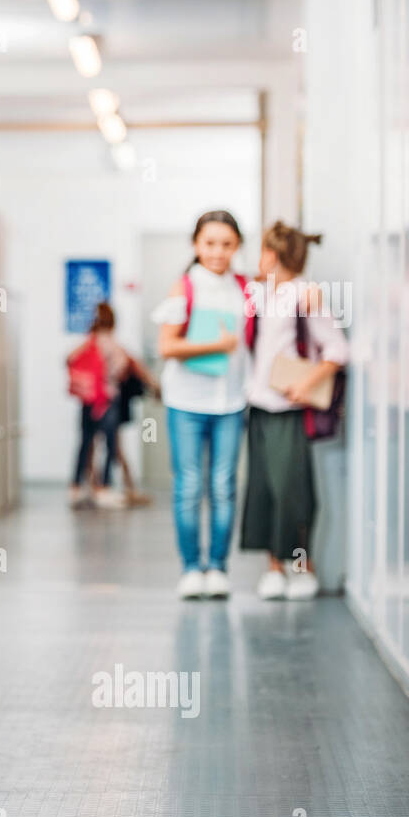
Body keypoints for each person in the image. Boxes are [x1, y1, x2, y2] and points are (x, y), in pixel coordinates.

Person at [241, 221, 349, 600]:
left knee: (294, 493)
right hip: (259, 405)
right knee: (264, 490)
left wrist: (305, 385)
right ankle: (274, 568)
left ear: (272, 255)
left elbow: (337, 350)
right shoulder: (261, 295)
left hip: (289, 408)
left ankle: (303, 567)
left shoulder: (307, 294)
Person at [151, 210, 253, 599]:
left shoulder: (245, 288)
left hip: (230, 403)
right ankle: (191, 568)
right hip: (186, 403)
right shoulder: (184, 287)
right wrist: (217, 345)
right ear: (196, 245)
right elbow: (166, 345)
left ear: (237, 247)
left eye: (227, 244)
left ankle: (218, 568)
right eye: (209, 243)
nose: (218, 252)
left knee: (224, 487)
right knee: (190, 486)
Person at [68, 302, 156, 508]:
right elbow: (124, 367)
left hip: (88, 402)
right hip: (108, 401)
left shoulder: (87, 343)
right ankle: (104, 487)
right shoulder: (113, 345)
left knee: (85, 443)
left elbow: (69, 359)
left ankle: (76, 487)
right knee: (110, 444)